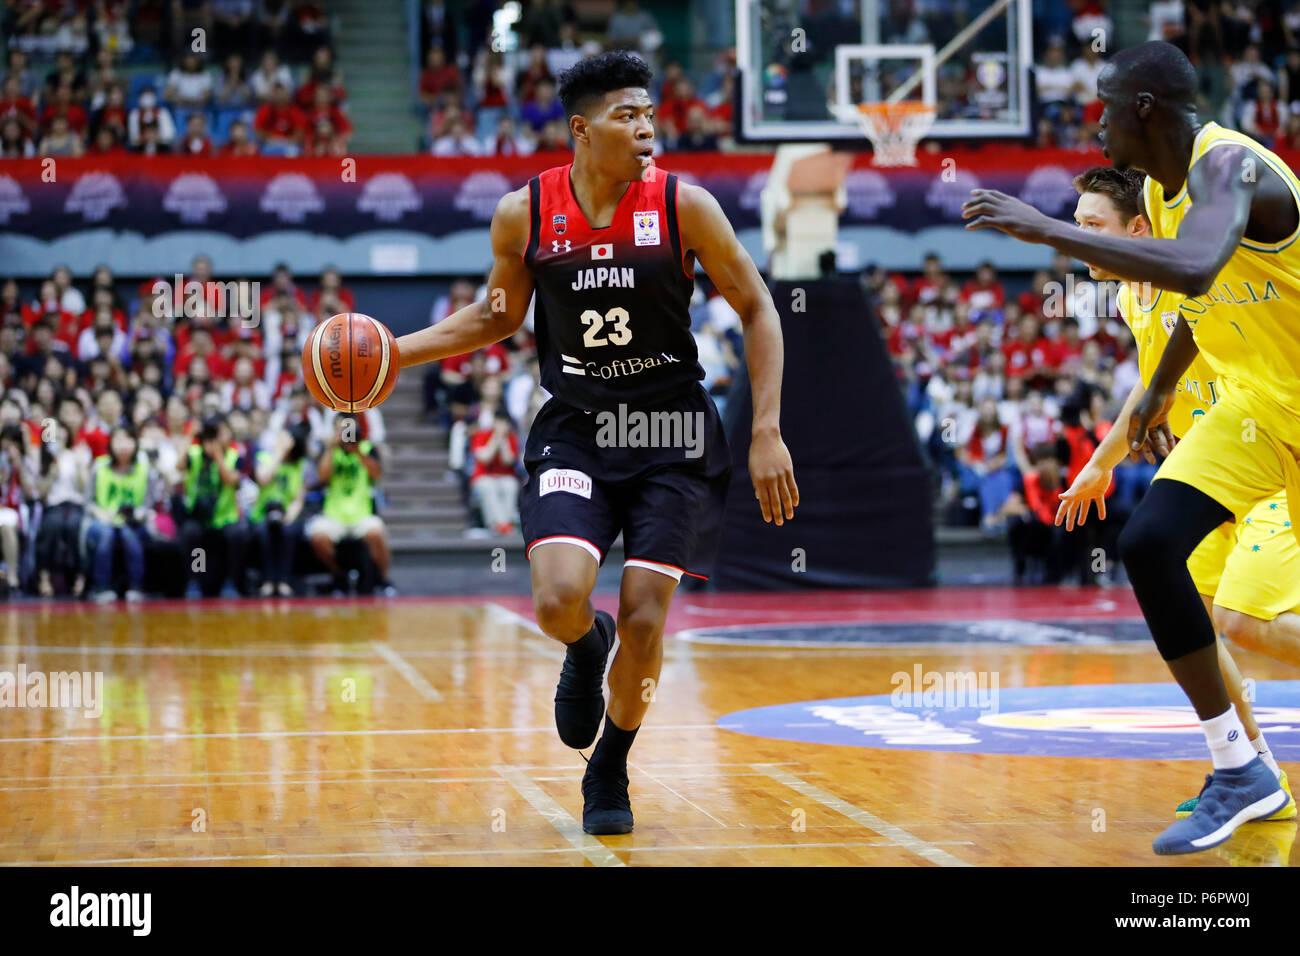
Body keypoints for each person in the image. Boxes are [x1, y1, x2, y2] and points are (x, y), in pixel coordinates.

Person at [391, 51, 797, 835]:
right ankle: (585, 646)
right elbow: (493, 317)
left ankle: (609, 764)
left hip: (671, 432)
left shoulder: (686, 206)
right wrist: (389, 354)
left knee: (647, 621)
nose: (647, 128)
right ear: (582, 129)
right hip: (578, 430)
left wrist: (767, 429)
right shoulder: (524, 213)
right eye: (627, 115)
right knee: (557, 600)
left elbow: (758, 309)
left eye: (650, 113)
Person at [961, 40, 1297, 854]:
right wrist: (1152, 394)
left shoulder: (1232, 168)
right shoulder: (1155, 186)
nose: (1094, 124)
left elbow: (1191, 266)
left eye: (1104, 107)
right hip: (1258, 407)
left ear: (1144, 107)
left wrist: (1046, 231)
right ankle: (1239, 766)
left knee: (1246, 612)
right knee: (1148, 542)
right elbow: (1197, 303)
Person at [1058, 165, 1295, 821]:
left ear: (1138, 228)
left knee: (1241, 618)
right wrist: (1100, 466)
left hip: (1261, 459)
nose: (1081, 239)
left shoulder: (1175, 277)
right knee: (1199, 614)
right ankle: (1255, 767)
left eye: (1091, 225)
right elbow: (1148, 388)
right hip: (1206, 472)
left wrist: (1101, 465)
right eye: (1074, 225)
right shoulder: (1136, 294)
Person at [306, 413, 393, 595]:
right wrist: (331, 448)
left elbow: (376, 475)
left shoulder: (367, 448)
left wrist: (357, 450)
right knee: (318, 536)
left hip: (361, 514)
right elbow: (322, 477)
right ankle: (339, 576)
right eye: (341, 428)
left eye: (348, 428)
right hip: (334, 515)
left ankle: (384, 579)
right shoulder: (329, 451)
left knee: (377, 533)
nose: (345, 433)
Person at [85, 425, 157, 602]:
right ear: (111, 444)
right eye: (119, 440)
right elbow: (87, 502)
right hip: (102, 520)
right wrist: (100, 514)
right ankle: (101, 587)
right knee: (105, 534)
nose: (124, 446)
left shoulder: (144, 468)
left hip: (132, 522)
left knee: (128, 534)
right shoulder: (99, 466)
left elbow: (150, 503)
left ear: (135, 444)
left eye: (128, 440)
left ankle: (136, 586)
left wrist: (141, 513)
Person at [181, 418, 249, 597]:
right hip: (199, 517)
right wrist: (190, 436)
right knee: (191, 534)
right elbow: (179, 466)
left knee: (238, 535)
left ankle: (231, 582)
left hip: (225, 517)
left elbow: (232, 481)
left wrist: (218, 456)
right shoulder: (194, 453)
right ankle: (196, 580)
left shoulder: (234, 455)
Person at [34, 418, 90, 596]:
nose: (58, 434)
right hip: (54, 505)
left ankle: (80, 577)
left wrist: (81, 466)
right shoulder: (45, 457)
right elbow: (41, 494)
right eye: (54, 430)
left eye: (61, 430)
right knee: (51, 526)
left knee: (75, 526)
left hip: (75, 503)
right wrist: (50, 475)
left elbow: (84, 488)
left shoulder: (77, 454)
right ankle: (44, 577)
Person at [251, 426, 307, 596]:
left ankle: (283, 581)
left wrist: (289, 516)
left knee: (287, 531)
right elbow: (264, 479)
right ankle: (268, 580)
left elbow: (298, 500)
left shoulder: (300, 466)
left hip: (287, 515)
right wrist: (279, 454)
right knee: (264, 531)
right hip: (262, 514)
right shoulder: (264, 457)